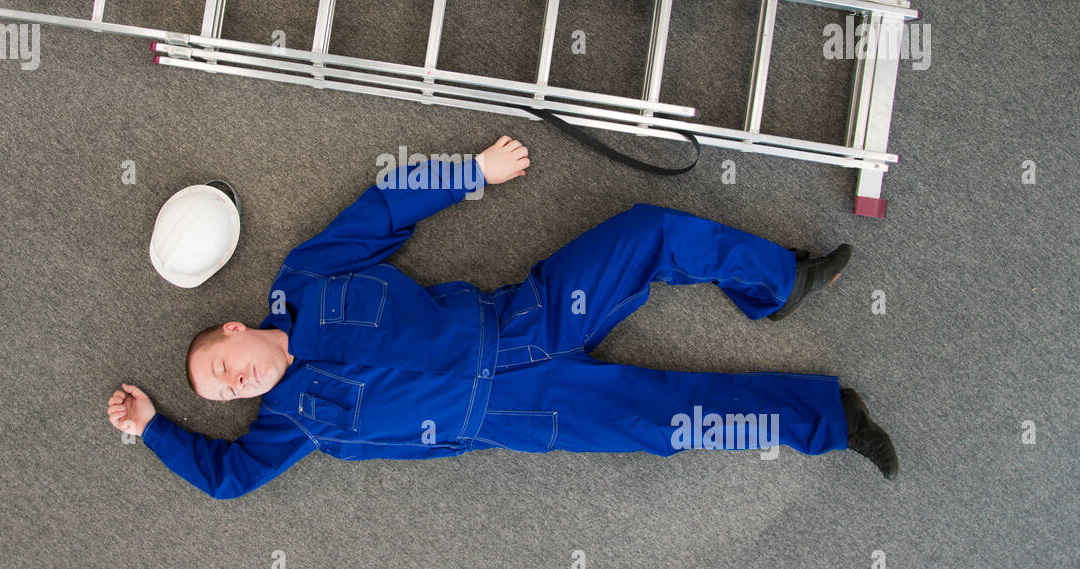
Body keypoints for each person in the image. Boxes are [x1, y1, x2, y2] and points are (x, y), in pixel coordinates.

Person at [107, 137, 899, 499]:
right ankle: (831, 418)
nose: (236, 383)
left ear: (235, 329)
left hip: (523, 320)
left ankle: (780, 280)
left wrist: (473, 173)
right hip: (521, 409)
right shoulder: (288, 422)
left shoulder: (306, 278)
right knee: (674, 420)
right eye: (225, 394)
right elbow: (228, 478)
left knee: (646, 230)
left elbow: (384, 207)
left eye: (220, 366)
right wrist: (154, 425)